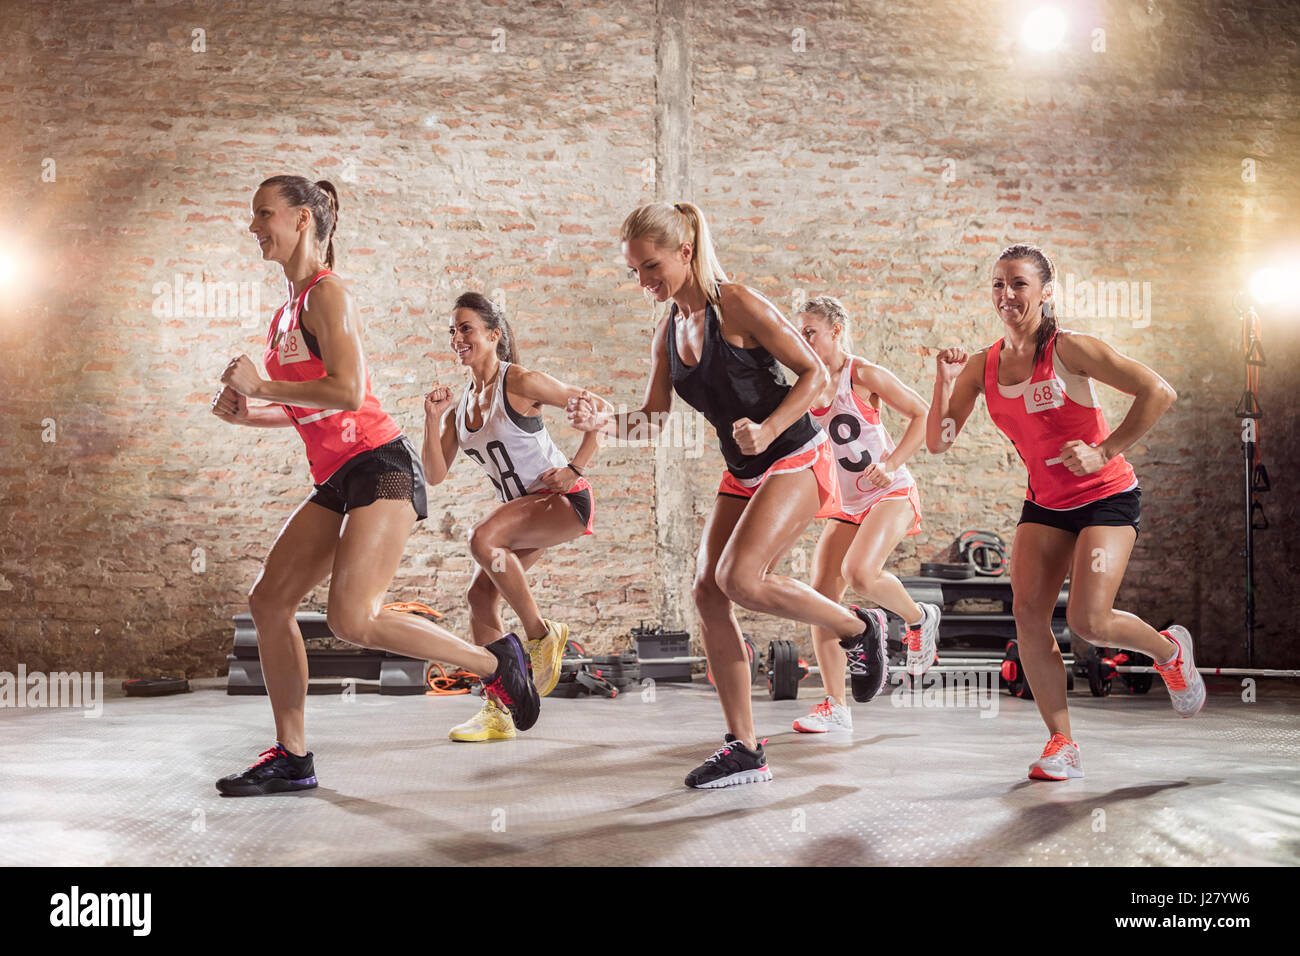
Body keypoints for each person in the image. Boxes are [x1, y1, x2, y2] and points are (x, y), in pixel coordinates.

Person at [210, 176, 537, 795]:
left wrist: (263, 387)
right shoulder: (288, 307)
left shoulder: (326, 296)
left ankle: (498, 662)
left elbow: (349, 393)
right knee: (269, 603)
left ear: (303, 219)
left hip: (380, 465)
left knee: (351, 618)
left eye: (264, 214)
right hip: (337, 473)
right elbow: (317, 406)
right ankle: (293, 756)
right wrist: (248, 412)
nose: (253, 227)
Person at [567, 201, 891, 789]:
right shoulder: (668, 331)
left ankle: (858, 627)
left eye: (651, 266)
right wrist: (602, 421)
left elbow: (815, 372)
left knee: (741, 578)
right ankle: (745, 749)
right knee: (707, 591)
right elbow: (652, 421)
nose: (643, 282)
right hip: (743, 470)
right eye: (635, 271)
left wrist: (768, 428)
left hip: (794, 453)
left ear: (685, 252)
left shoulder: (735, 304)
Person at [926, 243, 1204, 781]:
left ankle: (1169, 651)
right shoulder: (983, 365)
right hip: (1046, 504)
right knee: (1029, 616)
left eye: (1019, 284)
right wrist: (942, 382)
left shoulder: (1071, 349)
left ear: (1045, 292)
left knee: (1089, 622)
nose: (1006, 295)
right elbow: (940, 441)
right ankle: (1062, 743)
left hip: (1106, 497)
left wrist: (1105, 449)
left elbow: (1158, 391)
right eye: (998, 284)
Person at [422, 292, 609, 742]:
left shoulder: (520, 381)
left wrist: (575, 467)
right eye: (452, 330)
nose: (457, 338)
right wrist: (432, 418)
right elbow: (434, 473)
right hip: (525, 516)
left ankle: (541, 636)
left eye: (466, 328)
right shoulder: (463, 406)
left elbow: (597, 409)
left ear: (493, 334)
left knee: (481, 538)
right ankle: (498, 707)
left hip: (563, 502)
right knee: (480, 599)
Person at [791, 296, 940, 735]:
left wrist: (891, 464)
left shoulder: (863, 374)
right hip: (848, 505)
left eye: (810, 331)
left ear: (835, 330)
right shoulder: (805, 384)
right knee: (820, 600)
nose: (803, 339)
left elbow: (921, 414)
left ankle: (918, 618)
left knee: (859, 572)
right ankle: (836, 706)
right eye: (799, 332)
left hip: (891, 491)